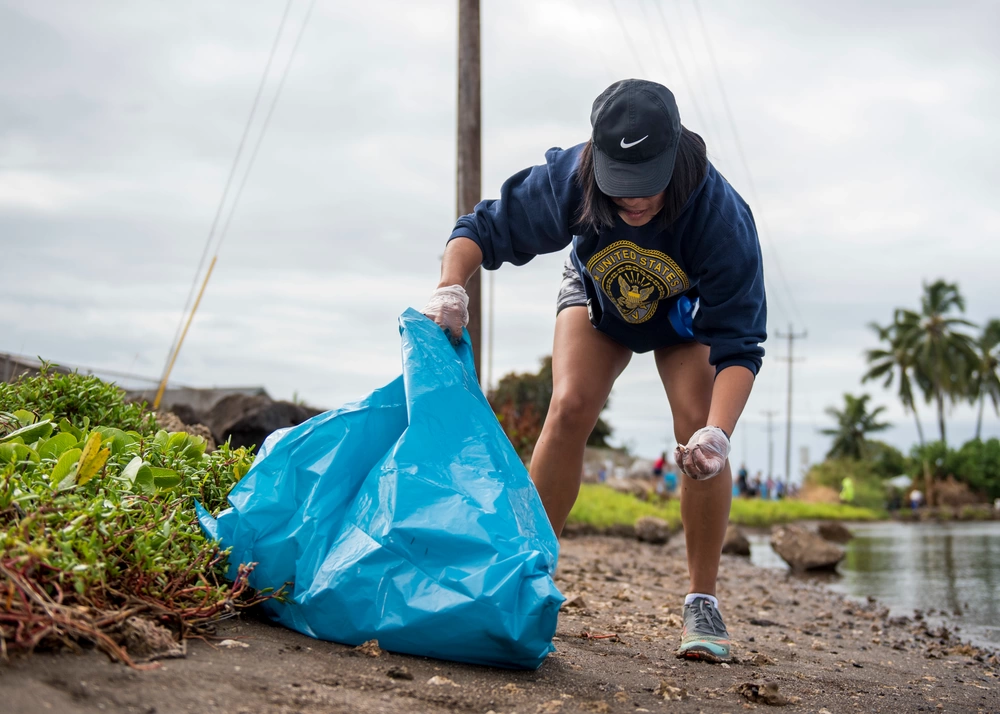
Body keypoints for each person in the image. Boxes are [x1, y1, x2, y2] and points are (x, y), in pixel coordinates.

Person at [422, 79, 766, 662]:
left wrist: (720, 432)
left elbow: (740, 344)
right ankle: (524, 574)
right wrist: (451, 286)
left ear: (674, 157)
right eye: (620, 183)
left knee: (696, 426)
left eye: (646, 183)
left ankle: (702, 600)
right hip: (598, 297)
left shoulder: (721, 215)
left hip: (682, 317)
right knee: (570, 405)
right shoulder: (573, 178)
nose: (633, 200)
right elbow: (480, 229)